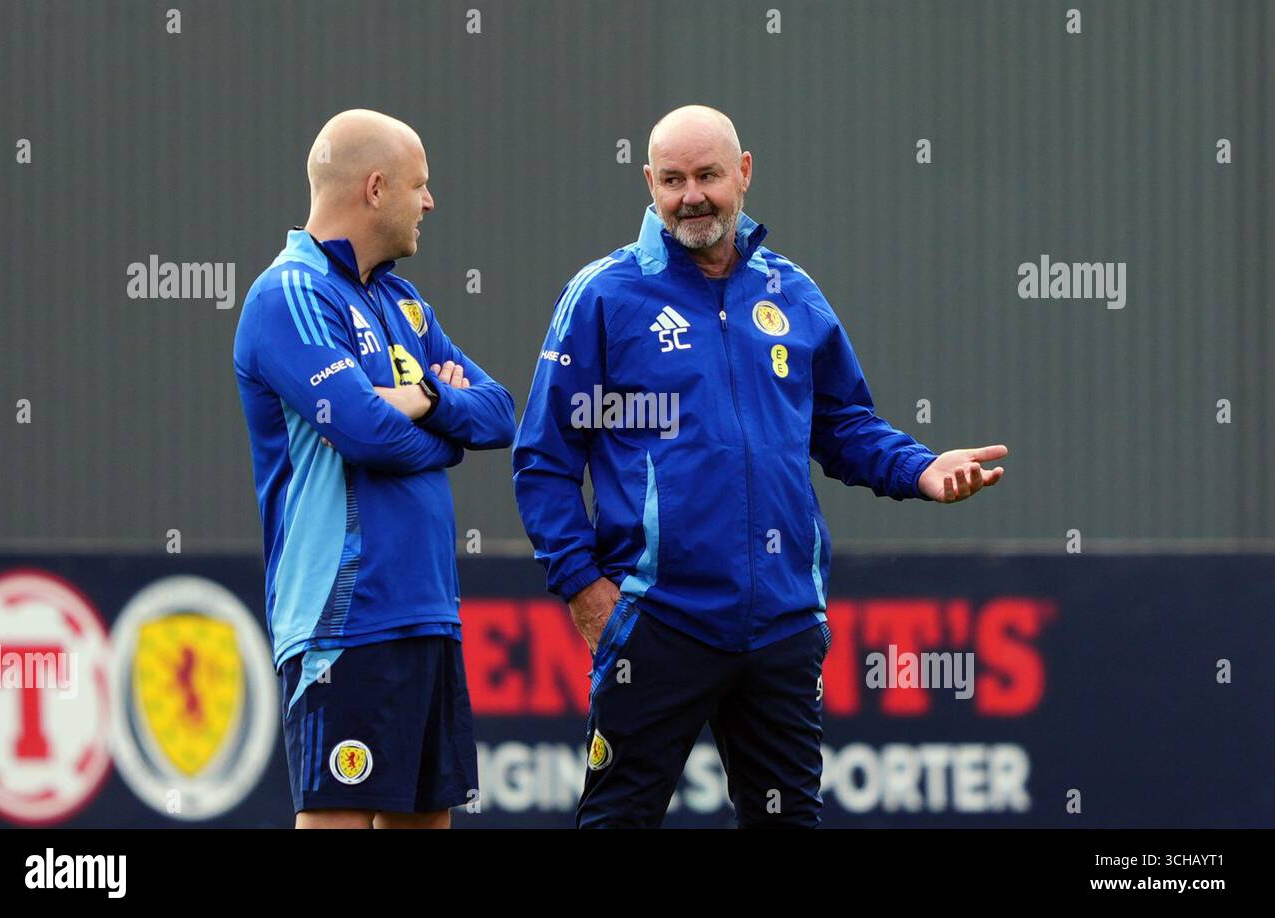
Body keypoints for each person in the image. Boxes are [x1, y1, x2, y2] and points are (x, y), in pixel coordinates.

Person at [512, 104, 1007, 828]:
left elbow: (842, 425)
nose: (691, 197)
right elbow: (544, 459)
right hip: (658, 620)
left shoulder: (790, 290)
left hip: (781, 622)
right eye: (673, 179)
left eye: (708, 175)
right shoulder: (605, 295)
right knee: (616, 820)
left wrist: (920, 469)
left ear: (743, 173)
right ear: (648, 182)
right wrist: (586, 591)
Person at [234, 109, 515, 828]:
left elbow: (500, 413)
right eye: (419, 186)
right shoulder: (288, 294)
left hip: (428, 613)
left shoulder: (403, 302)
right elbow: (366, 436)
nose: (430, 202)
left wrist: (419, 398)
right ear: (376, 187)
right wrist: (439, 410)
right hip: (344, 621)